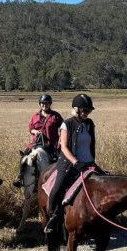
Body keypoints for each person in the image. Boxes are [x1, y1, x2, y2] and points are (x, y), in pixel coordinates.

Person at [44, 94, 97, 234]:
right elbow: (64, 148)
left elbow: (91, 146)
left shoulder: (90, 124)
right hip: (69, 163)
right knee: (57, 189)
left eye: (89, 111)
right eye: (85, 110)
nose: (87, 113)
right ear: (77, 109)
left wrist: (91, 162)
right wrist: (76, 162)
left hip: (88, 163)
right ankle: (53, 217)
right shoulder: (66, 124)